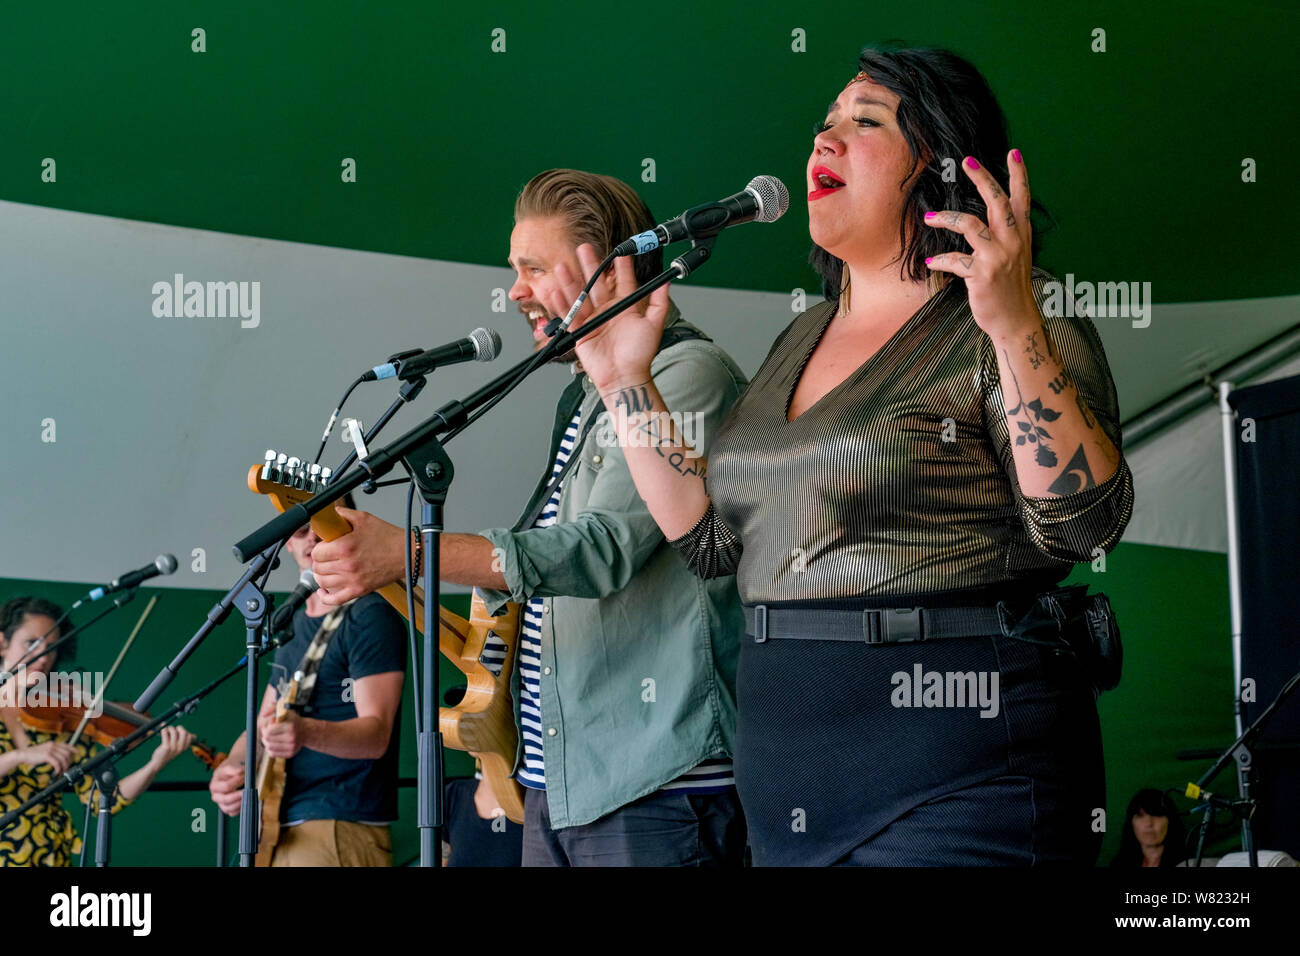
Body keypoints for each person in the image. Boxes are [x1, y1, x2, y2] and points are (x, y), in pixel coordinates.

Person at [549, 48, 1135, 866]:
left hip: (961, 775)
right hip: (791, 788)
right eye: (822, 124)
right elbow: (716, 546)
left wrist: (1012, 325)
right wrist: (625, 385)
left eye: (863, 123)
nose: (825, 140)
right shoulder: (797, 341)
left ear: (938, 166)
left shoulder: (1006, 323)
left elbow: (1084, 527)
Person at [311, 169, 750, 866]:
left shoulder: (688, 374)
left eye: (533, 269)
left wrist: (411, 555)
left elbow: (597, 551)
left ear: (610, 268)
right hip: (558, 786)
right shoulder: (578, 401)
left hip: (655, 786)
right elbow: (539, 564)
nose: (514, 291)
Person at [207, 513, 407, 866]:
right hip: (278, 822)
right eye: (301, 531)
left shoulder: (369, 613)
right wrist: (233, 769)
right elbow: (262, 723)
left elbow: (377, 735)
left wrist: (305, 731)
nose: (312, 538)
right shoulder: (292, 619)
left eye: (323, 526)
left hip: (338, 826)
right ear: (288, 543)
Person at [0, 595, 195, 867]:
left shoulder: (61, 717)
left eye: (52, 646)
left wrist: (155, 764)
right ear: (2, 643)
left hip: (49, 857)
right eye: (31, 643)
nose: (43, 656)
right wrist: (20, 756)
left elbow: (103, 800)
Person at [1109, 789, 1186, 868]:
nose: (1148, 823)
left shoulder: (1190, 863)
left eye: (1156, 815)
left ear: (1170, 821)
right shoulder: (1119, 863)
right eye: (1140, 815)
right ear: (1131, 824)